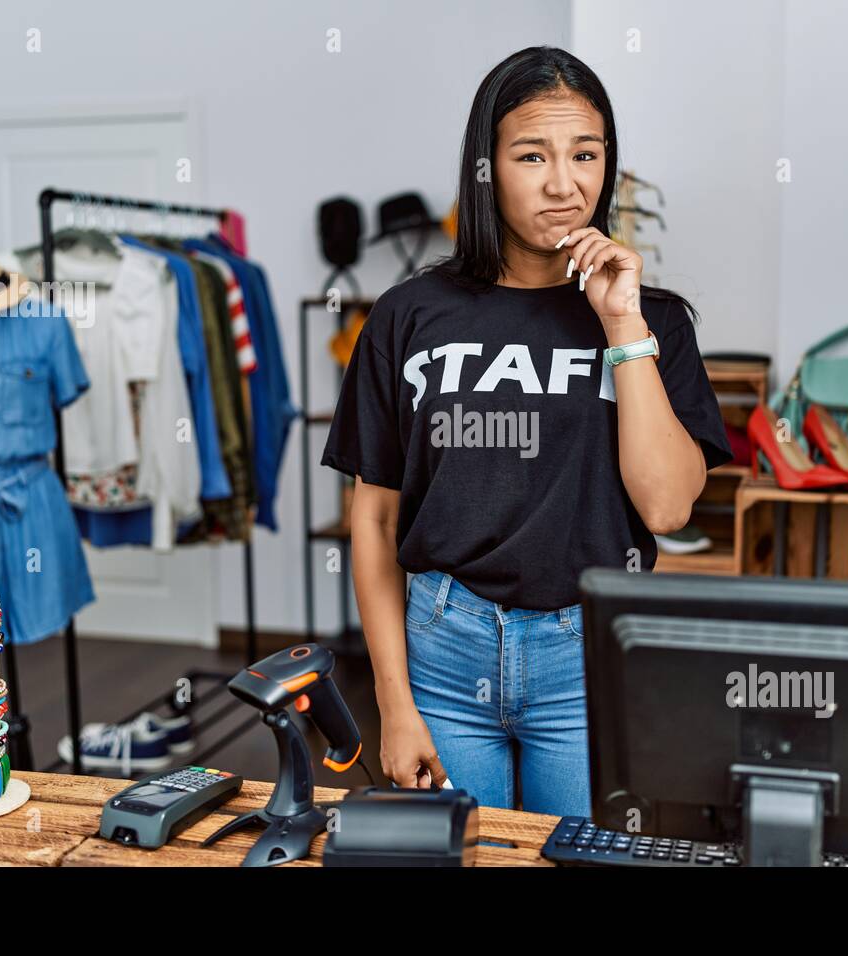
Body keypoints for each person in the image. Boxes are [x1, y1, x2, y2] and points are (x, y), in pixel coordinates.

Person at [321, 46, 732, 816]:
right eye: (531, 155)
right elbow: (374, 519)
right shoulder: (408, 316)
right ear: (487, 166)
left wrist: (621, 323)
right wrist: (393, 702)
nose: (563, 183)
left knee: (573, 858)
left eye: (586, 154)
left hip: (584, 656)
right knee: (461, 858)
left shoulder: (656, 322)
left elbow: (669, 509)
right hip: (444, 652)